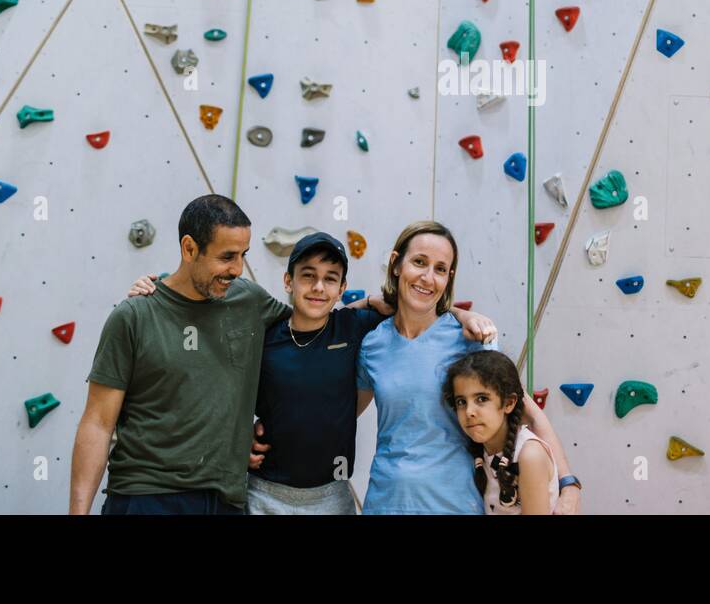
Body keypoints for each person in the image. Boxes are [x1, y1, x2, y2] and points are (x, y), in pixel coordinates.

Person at [129, 230, 496, 514]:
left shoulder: (358, 328)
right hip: (262, 495)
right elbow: (212, 378)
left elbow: (416, 308)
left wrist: (466, 315)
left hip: (332, 496)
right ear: (288, 282)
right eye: (307, 276)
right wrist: (157, 286)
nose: (318, 287)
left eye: (331, 278)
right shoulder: (262, 332)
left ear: (342, 290)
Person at [69, 194, 290, 515]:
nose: (238, 269)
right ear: (189, 248)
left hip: (225, 500)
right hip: (146, 496)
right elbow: (98, 423)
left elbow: (312, 333)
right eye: (227, 256)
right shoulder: (134, 315)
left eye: (243, 255)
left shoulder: (250, 302)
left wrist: (371, 309)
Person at [354, 220, 582, 514]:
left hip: (454, 503)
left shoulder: (470, 338)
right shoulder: (372, 344)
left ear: (449, 277)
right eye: (419, 262)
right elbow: (342, 416)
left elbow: (528, 412)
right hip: (386, 502)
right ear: (396, 264)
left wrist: (569, 484)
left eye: (440, 269)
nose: (427, 277)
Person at [444, 349, 558, 514]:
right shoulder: (479, 451)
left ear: (509, 403)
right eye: (461, 401)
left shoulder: (529, 454)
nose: (469, 411)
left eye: (481, 399)